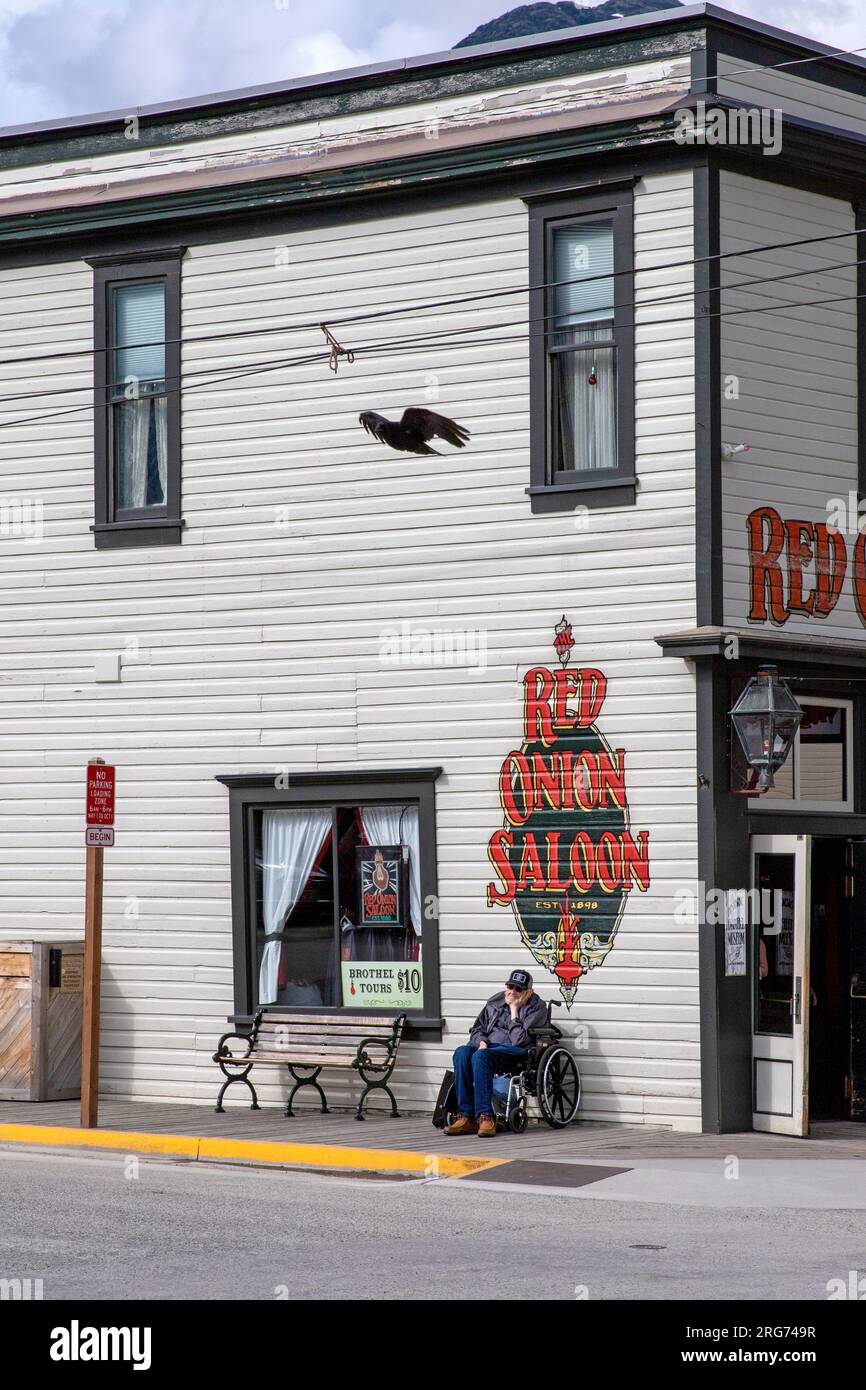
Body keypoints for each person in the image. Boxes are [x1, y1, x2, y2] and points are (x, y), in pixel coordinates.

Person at [445, 968, 548, 1137]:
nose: (513, 992)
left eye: (519, 989)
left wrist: (514, 1009)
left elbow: (519, 1040)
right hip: (488, 1047)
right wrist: (482, 1041)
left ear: (529, 992)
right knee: (462, 1052)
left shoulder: (537, 1007)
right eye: (510, 987)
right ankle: (465, 1116)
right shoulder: (495, 1001)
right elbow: (478, 1028)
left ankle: (485, 1117)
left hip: (513, 1051)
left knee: (480, 1056)